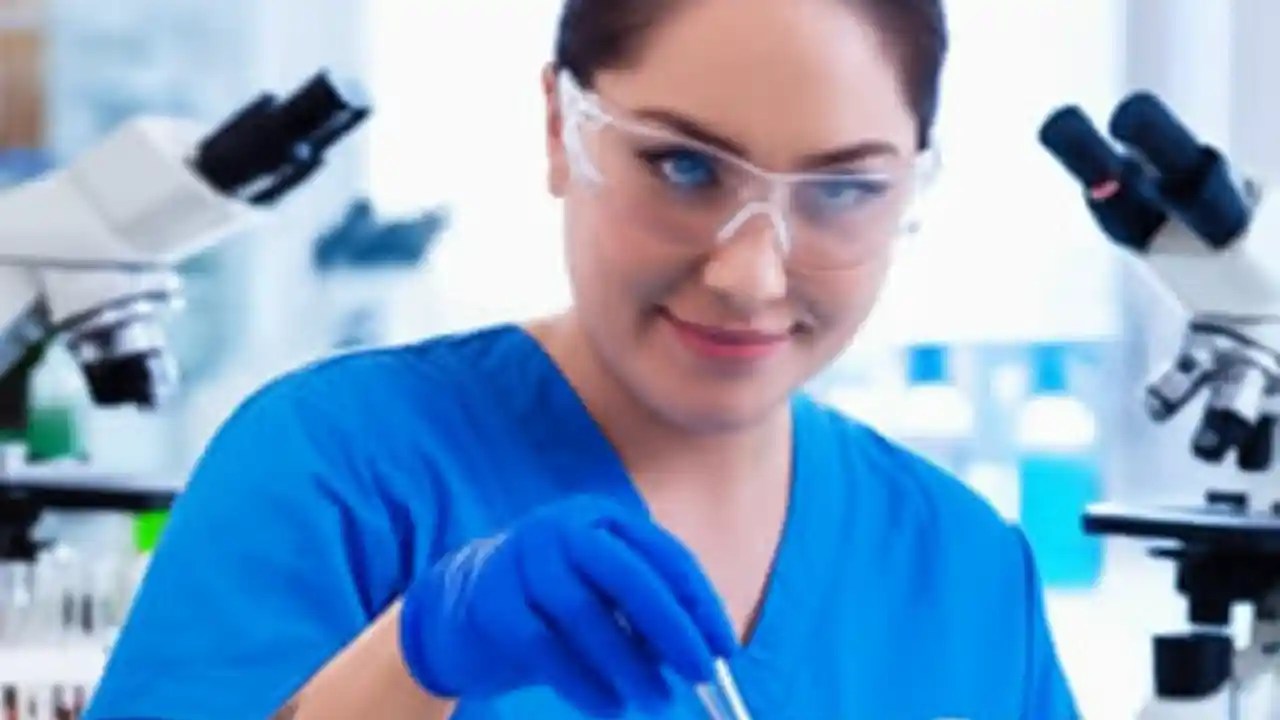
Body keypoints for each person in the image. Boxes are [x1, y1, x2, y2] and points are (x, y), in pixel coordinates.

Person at [87, 0, 1080, 717]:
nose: (748, 274)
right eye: (681, 167)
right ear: (562, 127)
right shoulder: (335, 471)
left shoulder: (964, 568)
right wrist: (410, 659)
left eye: (842, 188)